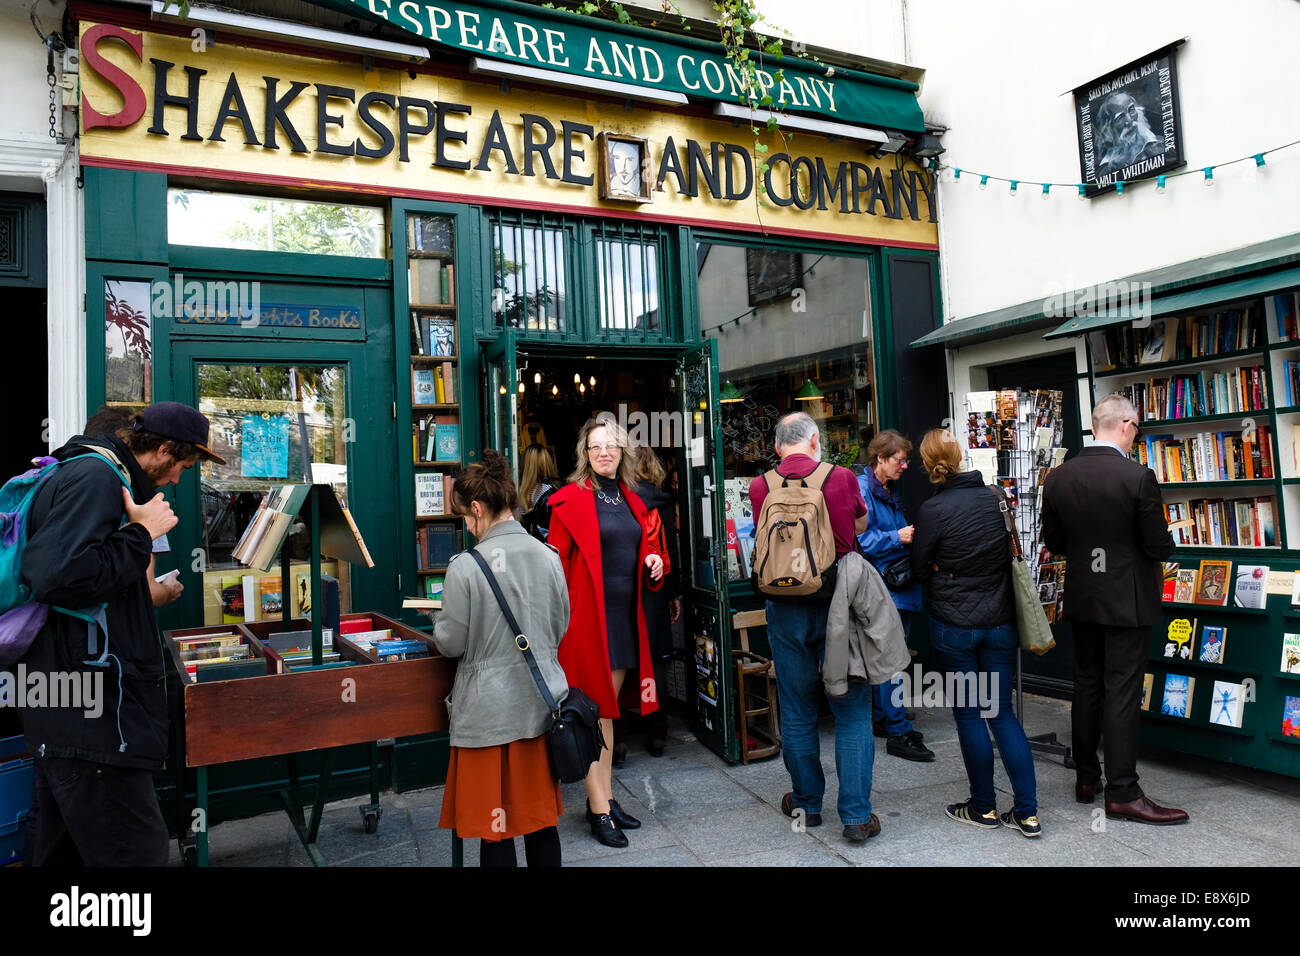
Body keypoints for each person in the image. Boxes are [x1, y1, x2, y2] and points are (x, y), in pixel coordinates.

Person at [21, 402, 224, 866]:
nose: (177, 480)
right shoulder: (96, 478)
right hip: (93, 715)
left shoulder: (87, 472)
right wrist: (141, 533)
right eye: (183, 467)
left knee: (60, 849)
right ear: (165, 449)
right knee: (136, 852)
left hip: (70, 705)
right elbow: (55, 576)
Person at [1040, 394, 1187, 825]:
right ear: (1125, 424)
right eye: (1137, 428)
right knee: (1122, 690)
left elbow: (1055, 541)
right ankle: (1123, 791)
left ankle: (1087, 778)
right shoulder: (1138, 476)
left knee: (1086, 684)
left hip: (1084, 594)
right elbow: (1158, 543)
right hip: (1127, 599)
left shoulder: (1059, 478)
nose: (1136, 435)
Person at [433, 450, 569, 867]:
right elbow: (560, 625)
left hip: (488, 716)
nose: (468, 527)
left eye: (465, 518)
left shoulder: (464, 567)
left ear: (477, 508)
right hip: (541, 706)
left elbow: (452, 643)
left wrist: (438, 618)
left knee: (496, 830)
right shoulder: (549, 556)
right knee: (541, 821)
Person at [748, 412, 877, 843]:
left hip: (784, 606)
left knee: (799, 708)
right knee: (852, 708)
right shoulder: (842, 478)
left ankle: (807, 804)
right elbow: (859, 526)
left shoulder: (760, 485)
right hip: (838, 603)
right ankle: (857, 817)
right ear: (815, 440)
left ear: (778, 446)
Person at [910, 428, 1041, 838]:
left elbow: (917, 568)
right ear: (961, 456)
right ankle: (1028, 813)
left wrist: (938, 569)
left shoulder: (933, 509)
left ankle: (983, 807)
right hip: (1000, 621)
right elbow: (1011, 550)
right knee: (1001, 713)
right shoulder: (998, 498)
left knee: (969, 713)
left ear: (929, 464)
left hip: (955, 624)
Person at [548, 416, 665, 848]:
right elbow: (554, 567)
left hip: (623, 619)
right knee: (591, 715)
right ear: (585, 452)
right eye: (595, 446)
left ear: (622, 452)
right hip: (585, 624)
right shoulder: (569, 501)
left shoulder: (633, 500)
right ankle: (598, 810)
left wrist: (655, 563)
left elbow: (648, 552)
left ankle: (607, 798)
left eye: (611, 446)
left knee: (608, 713)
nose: (604, 452)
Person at [855, 430, 934, 763]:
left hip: (898, 583)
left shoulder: (887, 488)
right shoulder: (862, 491)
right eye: (899, 460)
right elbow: (860, 540)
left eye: (906, 460)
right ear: (880, 459)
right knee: (891, 659)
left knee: (887, 655)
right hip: (881, 586)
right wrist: (897, 536)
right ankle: (898, 731)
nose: (904, 466)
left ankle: (883, 719)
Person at [84, 405, 183, 609]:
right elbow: (149, 592)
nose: (176, 479)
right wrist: (170, 589)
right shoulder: (144, 504)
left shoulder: (77, 483)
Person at [621, 444, 681, 759]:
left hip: (623, 590)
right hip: (654, 590)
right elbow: (670, 549)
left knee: (621, 661)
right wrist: (673, 594)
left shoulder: (618, 501)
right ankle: (658, 733)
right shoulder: (664, 503)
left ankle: (617, 740)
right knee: (656, 661)